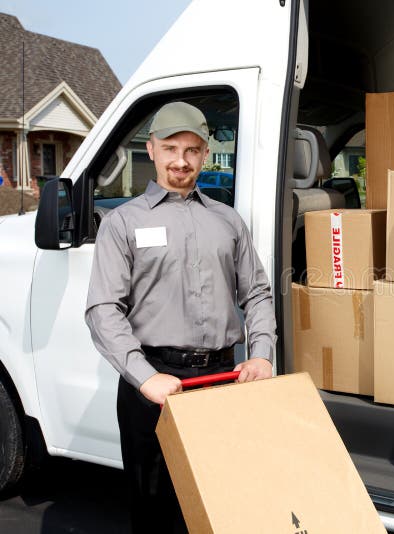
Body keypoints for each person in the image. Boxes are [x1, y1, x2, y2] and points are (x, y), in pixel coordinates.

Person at [85, 102, 277, 533]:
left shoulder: (227, 221)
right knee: (154, 508)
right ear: (150, 149)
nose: (180, 161)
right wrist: (143, 375)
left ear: (205, 154)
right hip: (153, 384)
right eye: (170, 148)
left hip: (220, 380)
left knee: (216, 501)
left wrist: (261, 354)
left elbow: (258, 293)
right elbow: (103, 309)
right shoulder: (122, 223)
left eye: (191, 150)